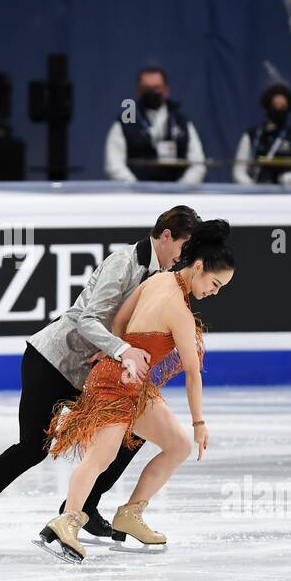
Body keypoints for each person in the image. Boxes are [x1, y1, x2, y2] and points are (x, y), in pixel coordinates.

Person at [0, 206, 201, 554]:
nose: (182, 257)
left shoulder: (156, 274)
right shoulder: (125, 263)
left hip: (86, 375)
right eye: (182, 246)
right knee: (32, 448)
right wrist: (122, 350)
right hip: (52, 361)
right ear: (166, 236)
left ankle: (81, 509)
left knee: (133, 430)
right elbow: (86, 319)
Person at [39, 219, 234, 562]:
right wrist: (199, 422)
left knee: (176, 444)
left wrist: (120, 349)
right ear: (199, 266)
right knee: (103, 455)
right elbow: (192, 374)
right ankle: (66, 521)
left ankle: (130, 515)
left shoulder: (157, 280)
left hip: (127, 379)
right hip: (115, 386)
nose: (215, 292)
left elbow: (119, 321)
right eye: (215, 284)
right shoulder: (181, 312)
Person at [104, 67, 207, 184]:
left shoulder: (181, 121)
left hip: (178, 193)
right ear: (138, 91)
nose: (152, 93)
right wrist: (137, 189)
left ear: (166, 90)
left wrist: (181, 188)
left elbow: (198, 163)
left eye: (156, 88)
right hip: (136, 195)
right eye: (146, 89)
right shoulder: (125, 121)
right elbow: (114, 164)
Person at [233, 83, 291, 186]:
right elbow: (239, 170)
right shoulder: (252, 135)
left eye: (283, 106)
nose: (279, 110)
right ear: (268, 107)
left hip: (287, 194)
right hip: (255, 193)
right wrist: (250, 186)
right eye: (275, 105)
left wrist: (288, 180)